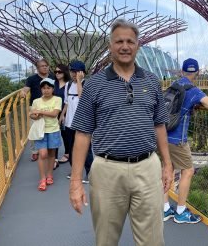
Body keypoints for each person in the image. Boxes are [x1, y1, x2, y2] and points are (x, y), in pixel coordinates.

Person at [69, 19, 173, 246]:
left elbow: (159, 125)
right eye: (119, 41)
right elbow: (83, 134)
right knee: (106, 238)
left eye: (130, 41)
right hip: (107, 170)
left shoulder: (152, 81)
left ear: (137, 46)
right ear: (110, 46)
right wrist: (76, 181)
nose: (125, 46)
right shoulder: (94, 85)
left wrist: (167, 164)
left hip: (147, 167)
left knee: (153, 239)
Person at [163, 58, 208, 224]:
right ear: (198, 72)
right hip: (178, 139)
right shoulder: (192, 90)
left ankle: (165, 209)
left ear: (181, 72)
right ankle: (180, 212)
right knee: (188, 171)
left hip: (163, 134)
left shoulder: (173, 85)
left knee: (167, 170)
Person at [59, 60, 92, 183]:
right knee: (72, 148)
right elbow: (67, 102)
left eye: (77, 71)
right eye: (72, 71)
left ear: (82, 72)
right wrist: (62, 115)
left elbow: (82, 98)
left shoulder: (87, 84)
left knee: (87, 149)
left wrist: (79, 81)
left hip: (83, 123)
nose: (74, 74)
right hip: (70, 122)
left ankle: (90, 173)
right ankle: (74, 171)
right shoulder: (67, 85)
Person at [29, 78, 62, 191]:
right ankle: (42, 179)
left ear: (53, 89)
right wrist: (35, 115)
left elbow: (54, 114)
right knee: (43, 154)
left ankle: (49, 175)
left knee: (52, 154)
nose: (46, 90)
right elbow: (32, 115)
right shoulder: (36, 101)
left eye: (48, 88)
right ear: (41, 89)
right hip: (41, 131)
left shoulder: (57, 99)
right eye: (44, 88)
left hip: (53, 130)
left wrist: (40, 112)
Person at [20, 59, 54, 161]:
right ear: (37, 68)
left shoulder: (53, 77)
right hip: (35, 108)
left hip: (50, 106)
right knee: (34, 129)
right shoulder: (31, 79)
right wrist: (22, 93)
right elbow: (25, 89)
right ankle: (35, 151)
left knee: (50, 129)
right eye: (42, 66)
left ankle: (47, 150)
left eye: (46, 65)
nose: (45, 67)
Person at [53, 64, 71, 169]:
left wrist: (63, 114)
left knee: (65, 135)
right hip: (53, 113)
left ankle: (67, 153)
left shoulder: (69, 85)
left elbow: (69, 101)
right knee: (54, 135)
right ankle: (54, 159)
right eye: (55, 72)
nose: (57, 74)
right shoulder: (53, 83)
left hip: (65, 113)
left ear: (64, 73)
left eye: (59, 72)